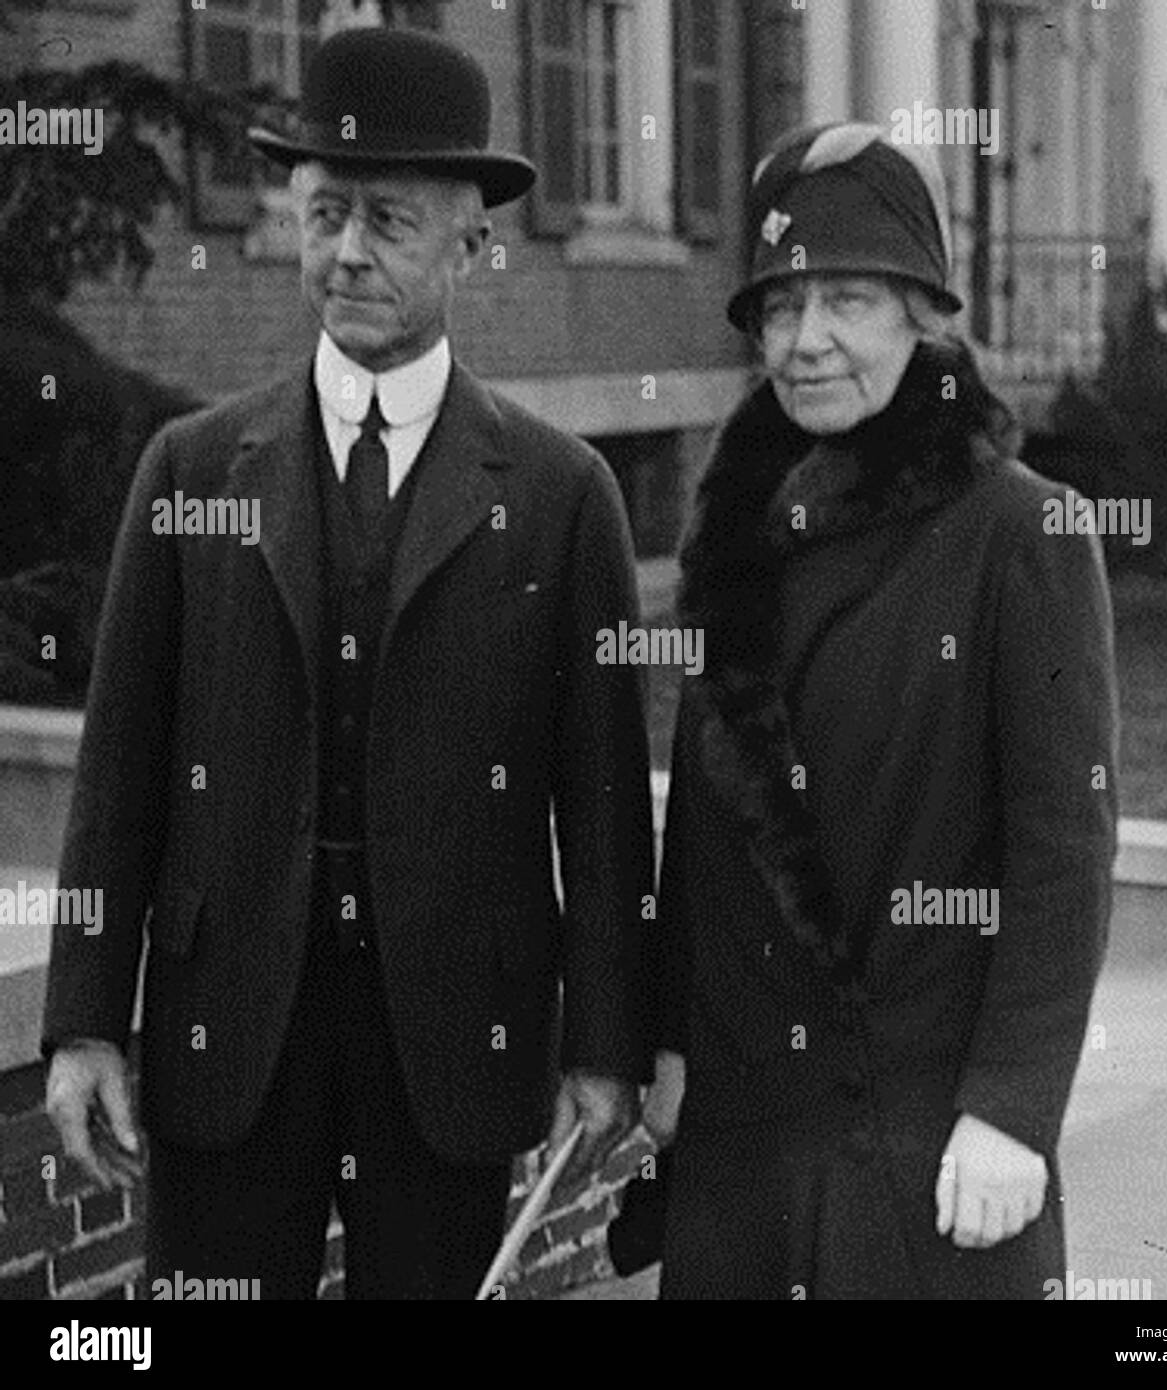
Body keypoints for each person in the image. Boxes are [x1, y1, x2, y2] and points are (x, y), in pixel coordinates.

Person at [41, 27, 653, 1300]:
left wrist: (606, 1037)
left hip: (450, 1039)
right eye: (324, 214)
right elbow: (119, 774)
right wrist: (87, 1018)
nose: (347, 253)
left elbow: (600, 803)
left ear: (469, 243)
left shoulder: (559, 495)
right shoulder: (194, 471)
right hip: (231, 1022)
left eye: (387, 219)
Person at [642, 121, 1119, 1300]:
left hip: (929, 1155)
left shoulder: (1020, 532)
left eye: (846, 300)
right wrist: (663, 1035)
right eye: (779, 307)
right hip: (742, 1151)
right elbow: (701, 836)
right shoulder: (736, 540)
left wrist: (1013, 1108)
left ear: (924, 315)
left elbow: (1064, 844)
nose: (806, 343)